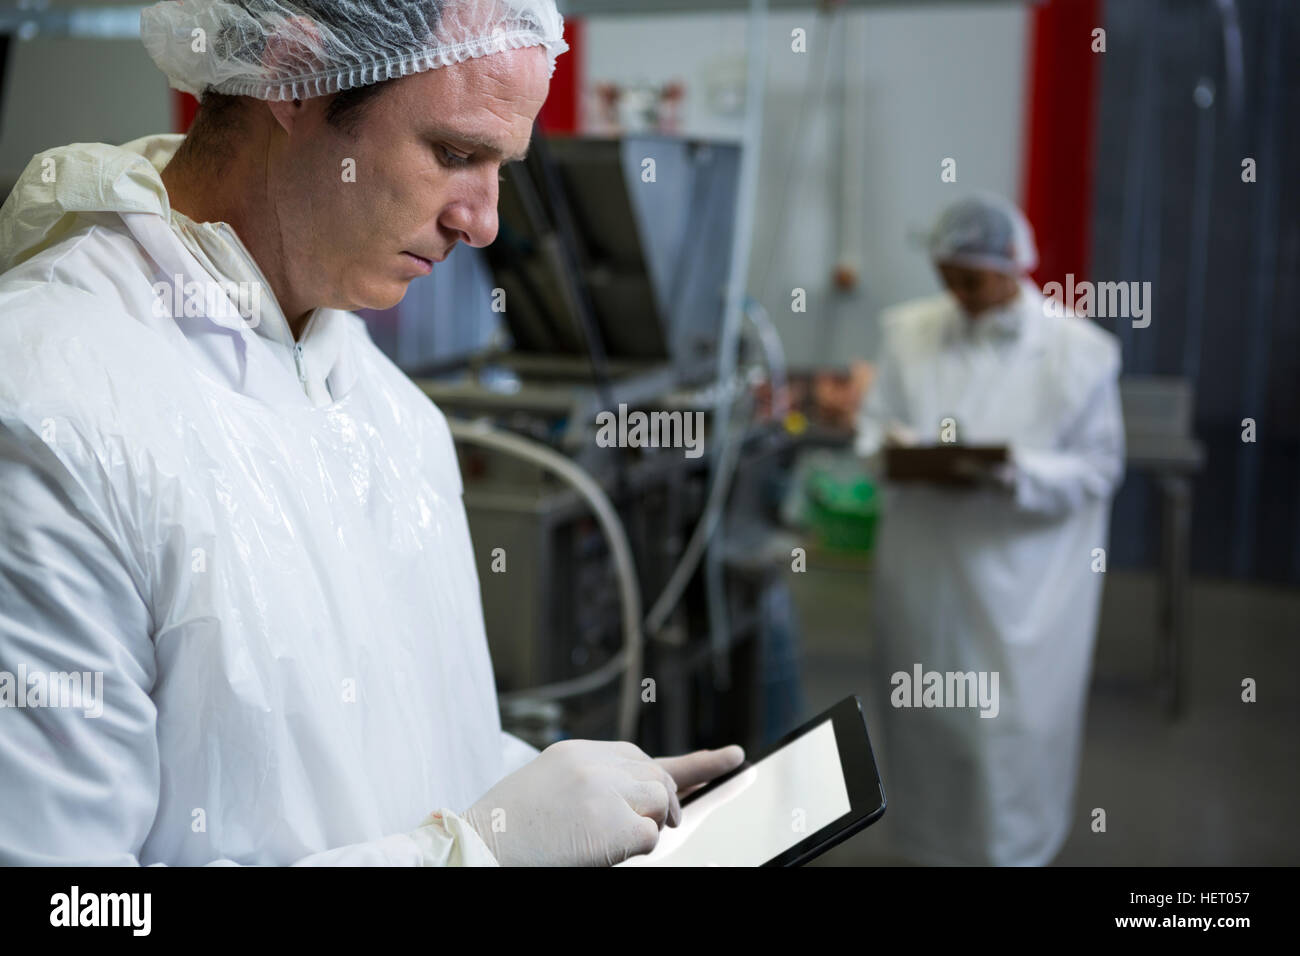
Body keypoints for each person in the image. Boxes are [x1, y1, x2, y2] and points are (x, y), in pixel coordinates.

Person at [0, 0, 741, 867]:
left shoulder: (386, 407)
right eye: (456, 154)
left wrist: (575, 805)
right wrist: (476, 857)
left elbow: (400, 765)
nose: (484, 222)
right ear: (289, 75)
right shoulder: (49, 416)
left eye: (502, 167)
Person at [855, 193, 1124, 865]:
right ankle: (925, 848)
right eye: (945, 278)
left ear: (1015, 268)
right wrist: (900, 449)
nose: (957, 295)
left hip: (1023, 594)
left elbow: (1098, 469)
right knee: (925, 730)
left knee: (1008, 740)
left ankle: (1014, 853)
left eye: (970, 281)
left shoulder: (1080, 354)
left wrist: (1010, 471)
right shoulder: (908, 332)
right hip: (923, 576)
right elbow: (872, 429)